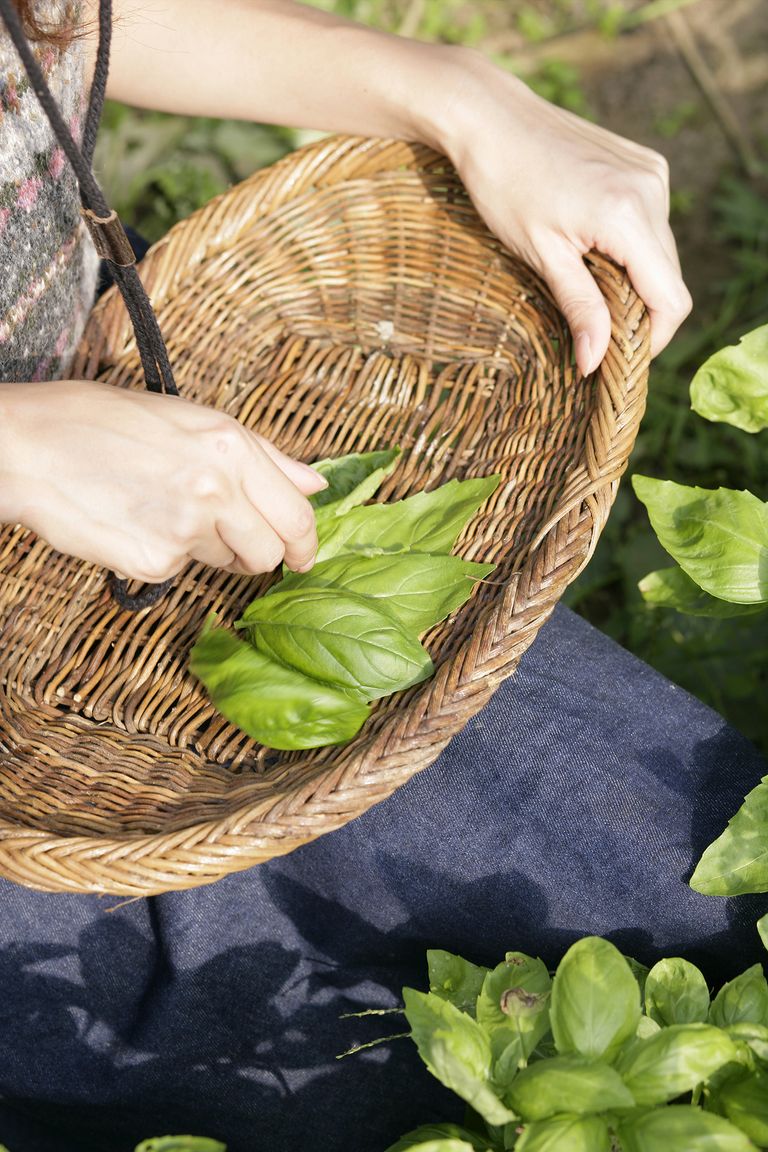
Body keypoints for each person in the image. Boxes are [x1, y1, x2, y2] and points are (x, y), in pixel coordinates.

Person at [0, 3, 764, 1151]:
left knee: (684, 882)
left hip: (157, 500)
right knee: (291, 1077)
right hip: (48, 781)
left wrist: (458, 93)